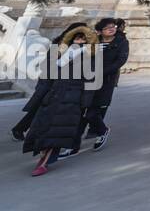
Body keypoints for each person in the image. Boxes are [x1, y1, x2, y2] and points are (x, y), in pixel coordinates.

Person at [21, 23, 99, 176]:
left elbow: (91, 81)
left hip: (73, 98)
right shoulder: (60, 51)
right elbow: (47, 72)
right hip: (53, 95)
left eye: (84, 38)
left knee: (57, 132)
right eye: (77, 37)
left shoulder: (90, 56)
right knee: (43, 128)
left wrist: (85, 103)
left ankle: (44, 163)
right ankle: (44, 157)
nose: (80, 40)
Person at [9, 22, 86, 142]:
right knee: (40, 108)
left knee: (44, 109)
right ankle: (19, 130)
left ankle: (23, 130)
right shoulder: (61, 45)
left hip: (58, 82)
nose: (82, 39)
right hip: (49, 81)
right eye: (79, 37)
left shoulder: (77, 47)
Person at [78, 18, 128, 151]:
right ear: (100, 32)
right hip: (88, 79)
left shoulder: (121, 42)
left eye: (113, 26)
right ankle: (73, 144)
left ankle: (102, 131)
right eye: (108, 27)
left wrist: (101, 73)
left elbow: (120, 61)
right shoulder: (94, 42)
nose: (112, 29)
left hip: (106, 81)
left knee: (93, 112)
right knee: (82, 111)